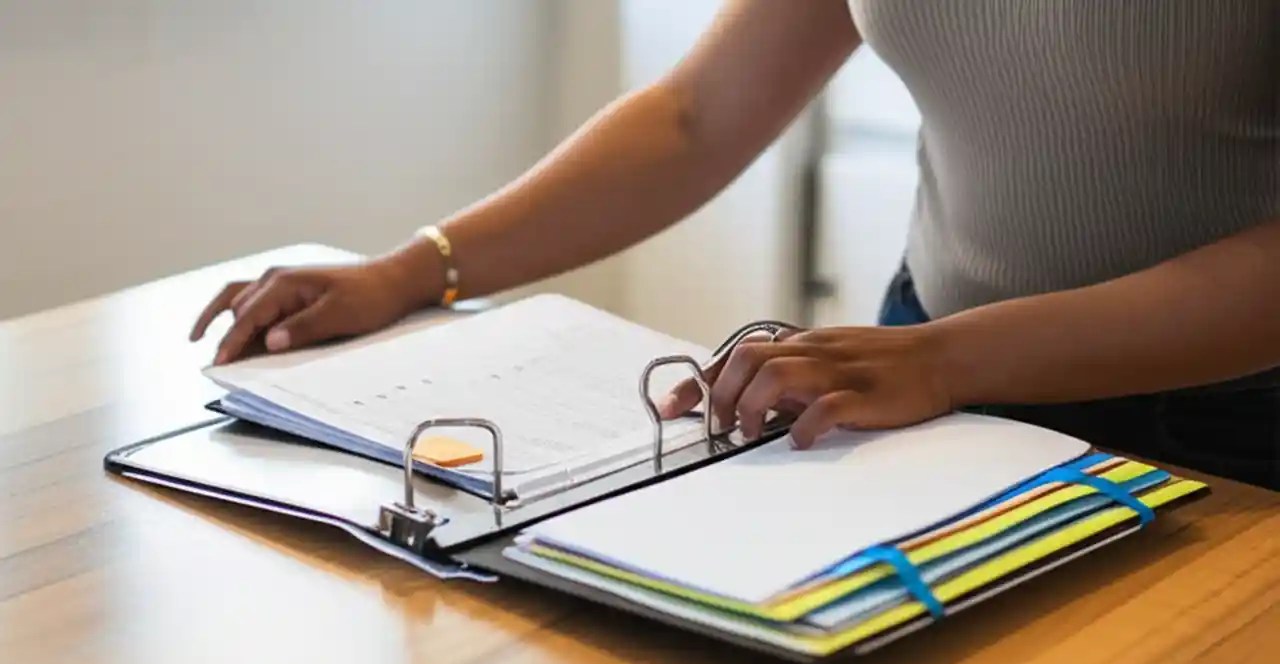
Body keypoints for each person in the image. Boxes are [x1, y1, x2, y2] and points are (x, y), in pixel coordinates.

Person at [189, 1, 1280, 489]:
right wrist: (412, 270)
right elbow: (695, 117)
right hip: (930, 371)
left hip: (1230, 420)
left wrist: (948, 358)